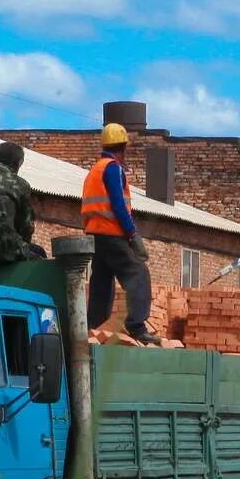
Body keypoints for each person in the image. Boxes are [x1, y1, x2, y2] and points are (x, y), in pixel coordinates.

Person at [81, 121, 154, 343]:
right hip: (112, 234)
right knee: (138, 273)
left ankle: (93, 328)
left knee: (102, 282)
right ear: (123, 147)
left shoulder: (95, 170)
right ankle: (136, 325)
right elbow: (118, 205)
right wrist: (133, 236)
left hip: (95, 235)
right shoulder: (113, 168)